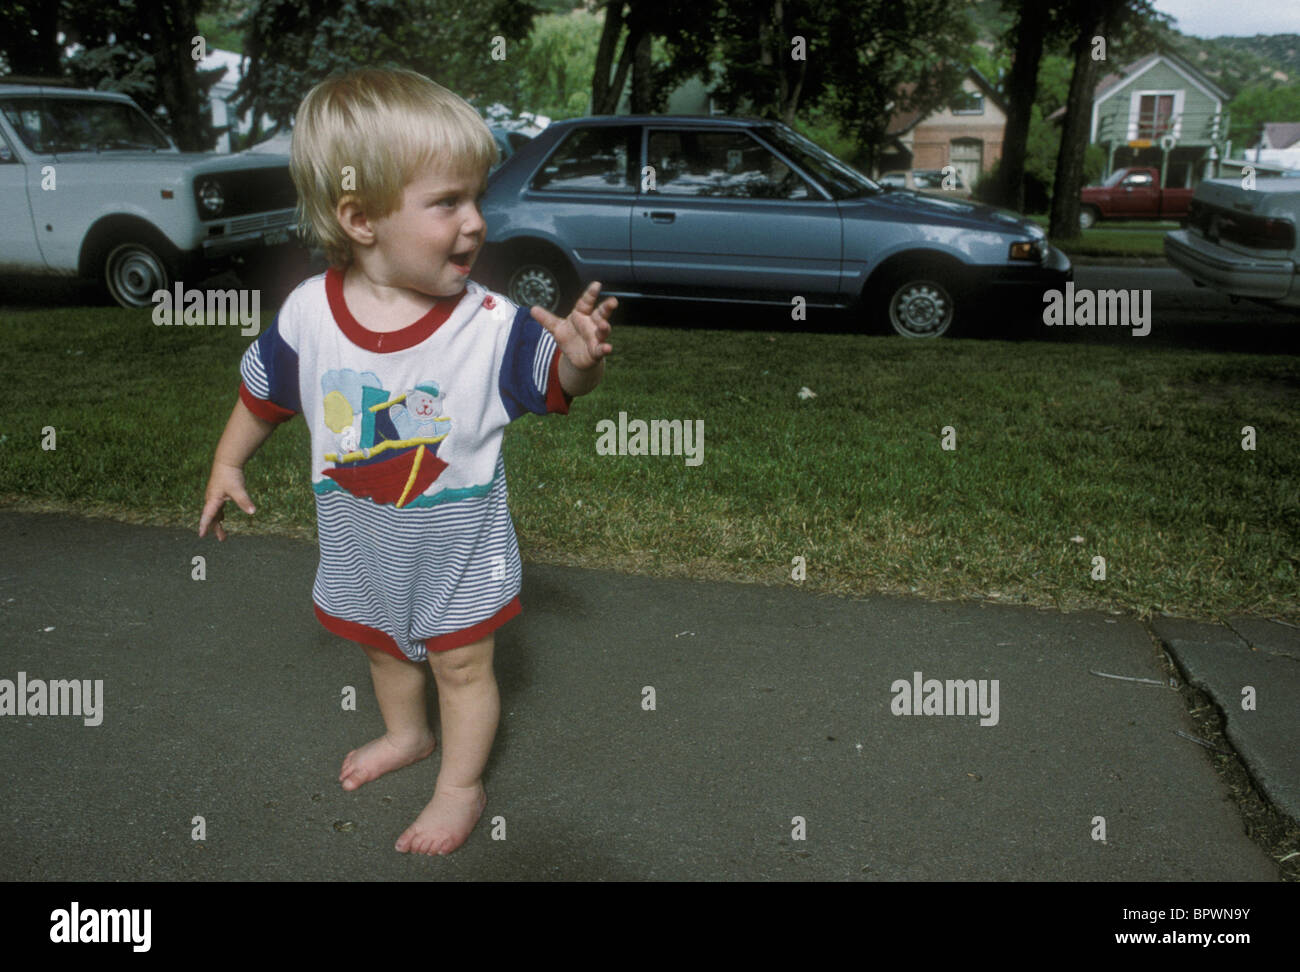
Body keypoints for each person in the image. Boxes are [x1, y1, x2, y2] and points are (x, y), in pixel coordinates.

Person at [198, 68, 614, 856]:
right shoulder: (310, 313)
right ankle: (407, 734)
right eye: (447, 203)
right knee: (382, 644)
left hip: (458, 546)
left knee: (461, 664)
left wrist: (581, 362)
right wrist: (228, 464)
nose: (476, 223)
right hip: (362, 541)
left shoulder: (490, 327)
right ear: (360, 218)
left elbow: (555, 383)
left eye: (477, 199)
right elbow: (265, 396)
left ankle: (460, 784)